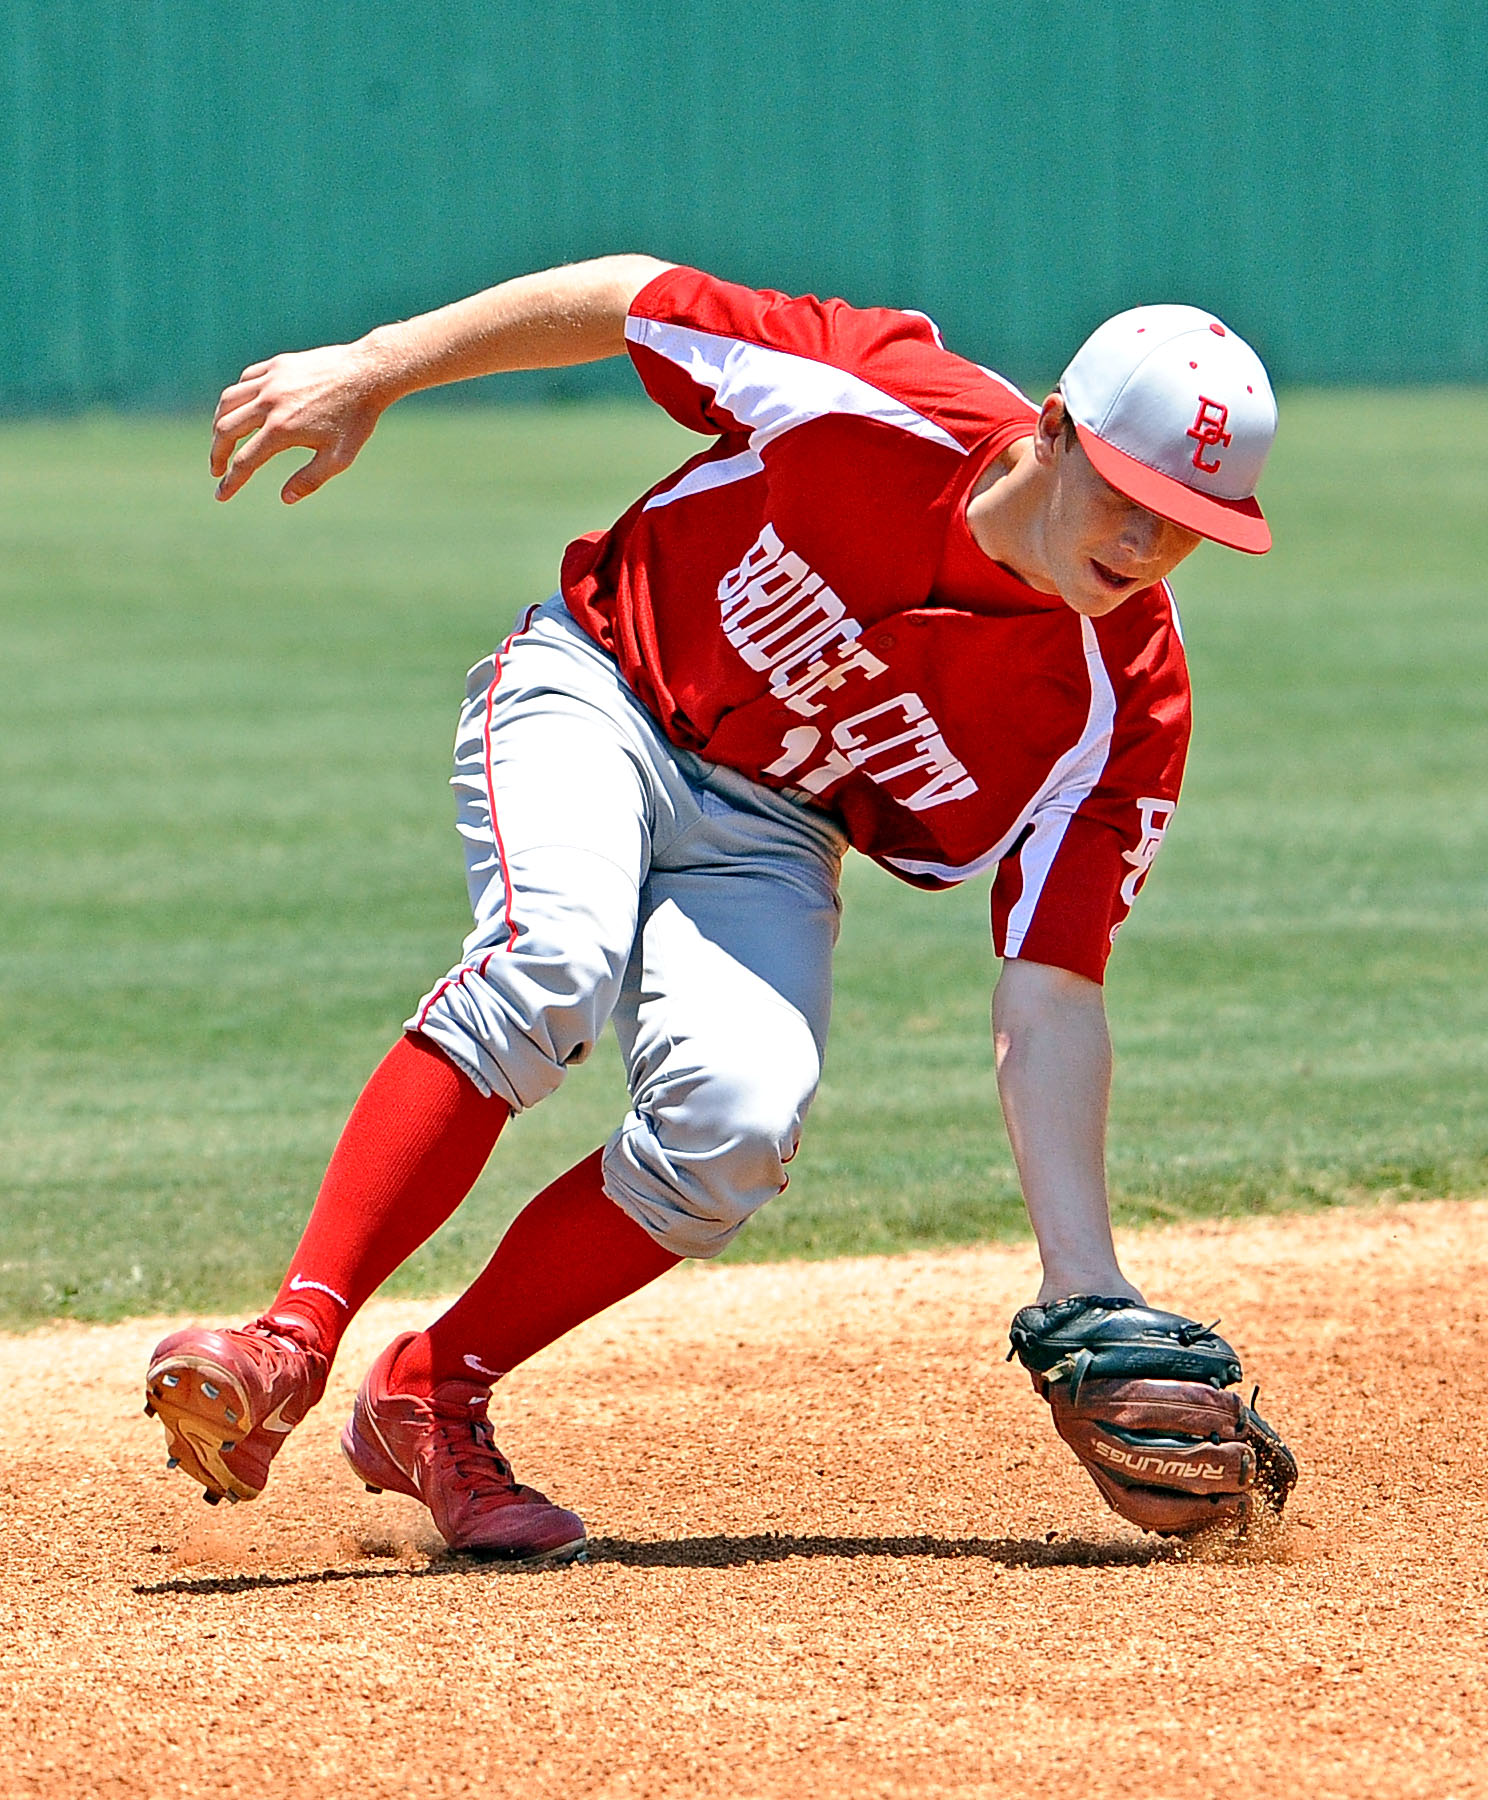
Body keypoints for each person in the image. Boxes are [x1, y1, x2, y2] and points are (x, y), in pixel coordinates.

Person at [144, 256, 1278, 1564]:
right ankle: (289, 1340)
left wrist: (1084, 1276)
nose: (1147, 548)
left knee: (731, 1129)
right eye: (1132, 499)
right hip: (603, 689)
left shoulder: (1125, 705)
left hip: (775, 830)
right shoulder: (870, 396)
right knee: (548, 969)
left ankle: (429, 1391)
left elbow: (1054, 987)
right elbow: (627, 293)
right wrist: (380, 365)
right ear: (1057, 426)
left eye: (1193, 522)